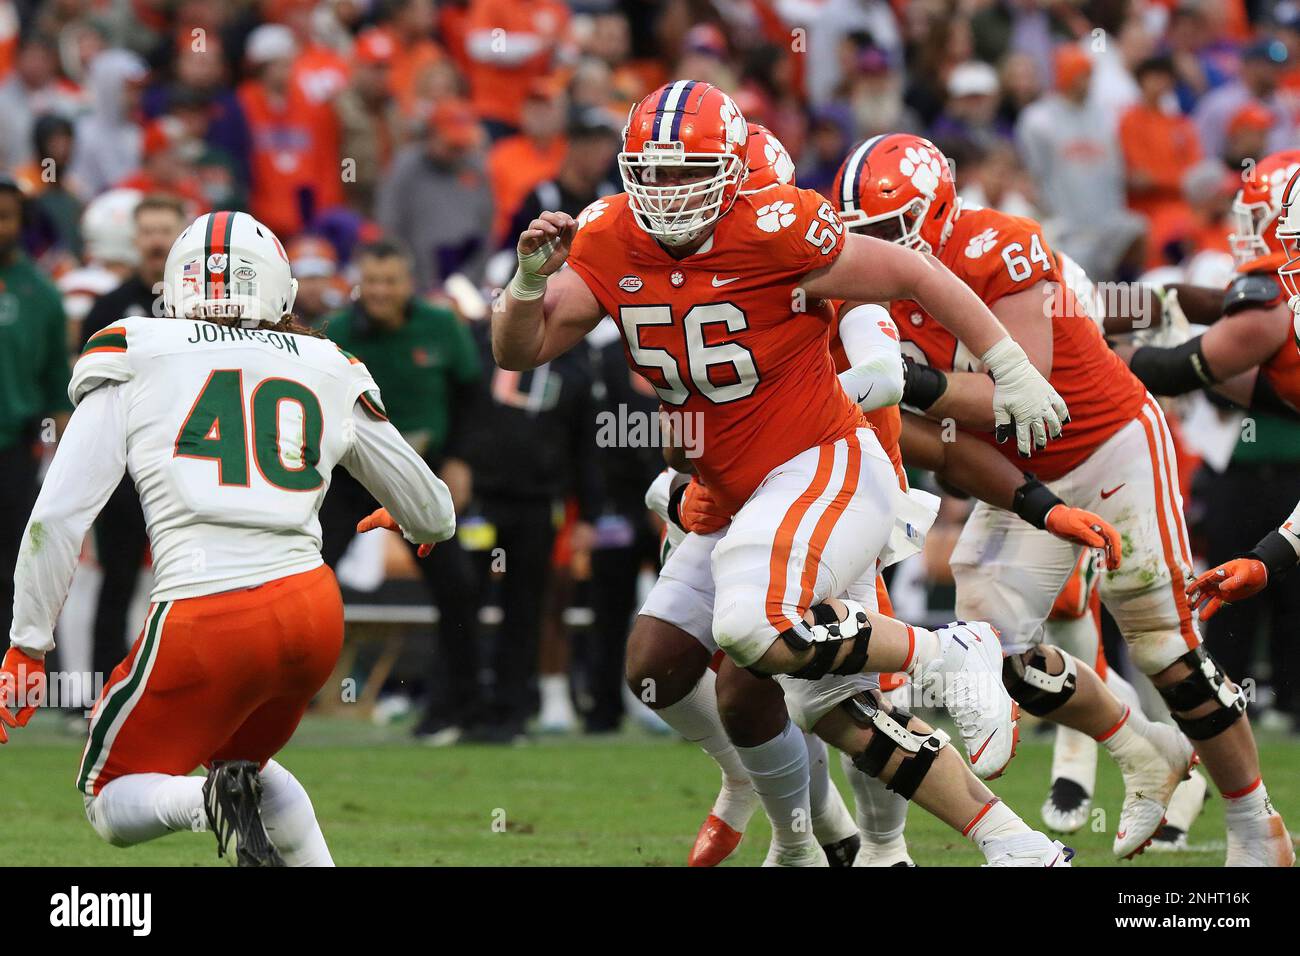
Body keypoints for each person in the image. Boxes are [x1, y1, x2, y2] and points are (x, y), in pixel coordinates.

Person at [494, 81, 1074, 867]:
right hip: (732, 492)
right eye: (652, 172)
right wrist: (526, 282)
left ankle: (910, 773)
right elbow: (516, 351)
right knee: (673, 668)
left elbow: (905, 298)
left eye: (688, 171)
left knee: (814, 680)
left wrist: (1008, 368)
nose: (667, 193)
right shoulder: (608, 234)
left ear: (738, 176)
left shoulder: (781, 228)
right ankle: (835, 833)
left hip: (824, 469)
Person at [840, 131, 1290, 866]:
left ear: (940, 211)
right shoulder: (861, 292)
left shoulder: (1000, 244)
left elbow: (1025, 391)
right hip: (1029, 475)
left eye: (893, 231)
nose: (878, 248)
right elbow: (941, 439)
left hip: (1109, 443)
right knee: (999, 645)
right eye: (865, 235)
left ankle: (1254, 823)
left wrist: (909, 383)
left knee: (1163, 646)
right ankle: (1142, 748)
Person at [0, 210, 456, 867]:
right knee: (250, 767)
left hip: (208, 612)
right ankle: (237, 798)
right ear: (279, 287)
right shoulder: (329, 361)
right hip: (311, 613)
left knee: (110, 797)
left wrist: (27, 643)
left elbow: (58, 516)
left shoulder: (136, 348)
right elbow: (433, 510)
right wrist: (411, 518)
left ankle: (203, 801)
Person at [319, 239, 482, 743]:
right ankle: (276, 693)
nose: (382, 291)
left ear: (407, 284)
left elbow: (471, 395)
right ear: (358, 285)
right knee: (305, 572)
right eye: (373, 282)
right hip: (349, 476)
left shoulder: (440, 325)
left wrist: (458, 460)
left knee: (457, 587)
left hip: (420, 471)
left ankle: (456, 707)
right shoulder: (339, 333)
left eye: (391, 281)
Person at [77, 194, 186, 694]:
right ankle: (102, 696)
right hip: (123, 469)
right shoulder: (108, 307)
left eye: (166, 229)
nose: (157, 240)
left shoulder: (201, 310)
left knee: (187, 583)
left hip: (187, 466)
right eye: (148, 231)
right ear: (134, 238)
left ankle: (178, 697)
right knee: (117, 581)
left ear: (181, 235)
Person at [0, 179, 72, 648]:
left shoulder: (42, 294)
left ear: (21, 224)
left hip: (13, 451)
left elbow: (55, 388)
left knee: (14, 563)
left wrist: (65, 469)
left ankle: (15, 669)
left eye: (4, 216)